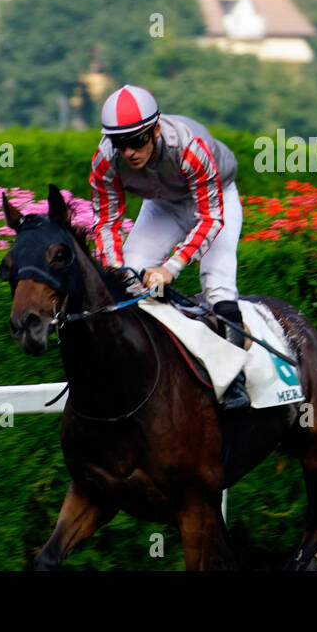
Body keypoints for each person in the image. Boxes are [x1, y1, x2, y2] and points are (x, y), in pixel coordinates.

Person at [87, 84, 250, 409]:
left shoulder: (190, 147)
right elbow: (106, 224)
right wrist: (117, 273)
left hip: (215, 202)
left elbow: (209, 220)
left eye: (137, 140)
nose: (129, 152)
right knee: (129, 277)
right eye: (120, 143)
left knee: (217, 283)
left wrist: (170, 267)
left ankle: (235, 381)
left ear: (156, 129)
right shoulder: (105, 162)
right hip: (162, 204)